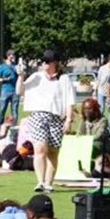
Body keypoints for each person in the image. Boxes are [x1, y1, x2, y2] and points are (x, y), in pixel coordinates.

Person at [19, 50, 76, 194]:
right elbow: (20, 91)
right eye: (43, 61)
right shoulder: (36, 77)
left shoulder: (64, 79)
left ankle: (49, 183)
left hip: (56, 118)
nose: (44, 64)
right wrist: (20, 76)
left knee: (53, 152)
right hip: (38, 115)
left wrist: (68, 120)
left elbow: (70, 101)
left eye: (47, 61)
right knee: (40, 148)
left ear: (54, 63)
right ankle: (40, 181)